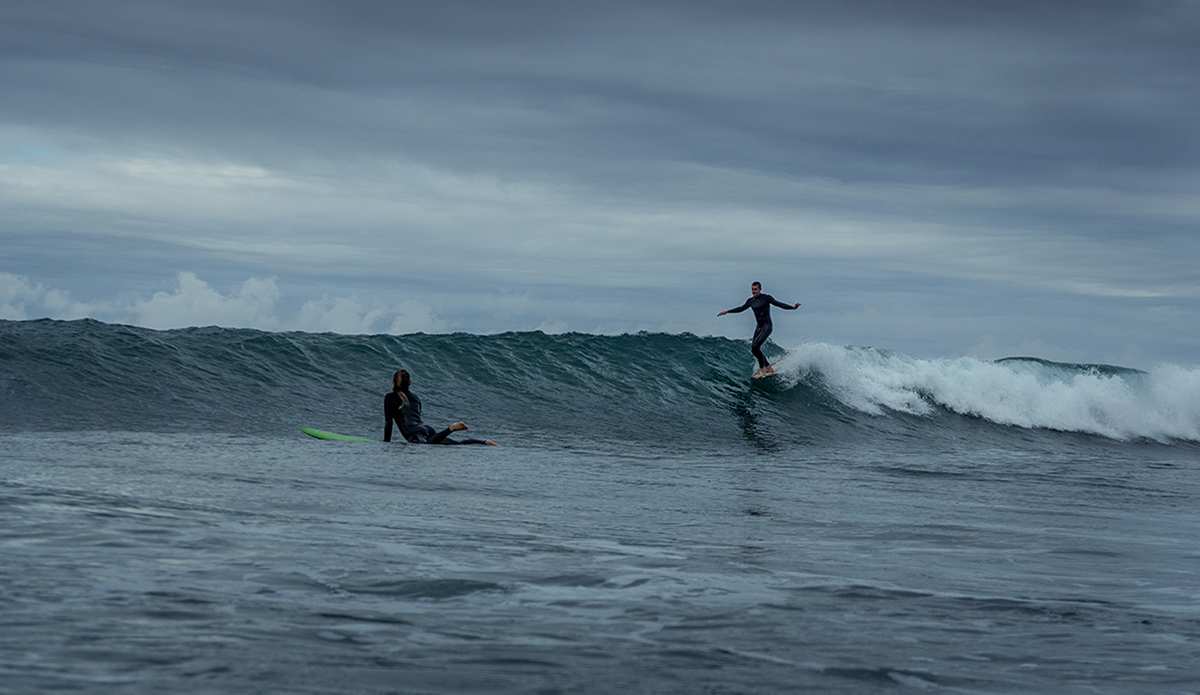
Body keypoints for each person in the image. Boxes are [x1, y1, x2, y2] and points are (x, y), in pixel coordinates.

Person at [384, 370, 498, 445]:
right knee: (458, 443)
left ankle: (450, 429)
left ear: (393, 382)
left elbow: (389, 423)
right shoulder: (415, 397)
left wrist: (386, 442)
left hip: (415, 434)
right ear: (410, 383)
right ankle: (484, 442)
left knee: (426, 445)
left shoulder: (390, 398)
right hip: (426, 429)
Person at [718, 282, 801, 378]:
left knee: (755, 346)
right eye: (752, 289)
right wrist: (727, 311)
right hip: (759, 326)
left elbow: (779, 304)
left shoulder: (766, 298)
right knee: (754, 349)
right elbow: (741, 308)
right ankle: (768, 367)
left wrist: (792, 307)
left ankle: (762, 370)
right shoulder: (751, 301)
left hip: (767, 326)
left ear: (760, 289)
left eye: (755, 289)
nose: (753, 291)